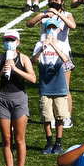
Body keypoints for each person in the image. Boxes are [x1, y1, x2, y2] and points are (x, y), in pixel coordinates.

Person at [0, 31, 36, 166]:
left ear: (18, 42)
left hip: (19, 98)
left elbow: (33, 78)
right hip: (3, 98)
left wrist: (15, 69)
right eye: (7, 40)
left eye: (12, 40)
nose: (9, 43)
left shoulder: (23, 58)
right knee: (6, 139)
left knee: (19, 138)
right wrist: (0, 73)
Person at [28, 0, 77, 128]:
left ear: (62, 2)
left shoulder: (67, 14)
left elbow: (73, 26)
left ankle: (67, 117)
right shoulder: (44, 14)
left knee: (64, 88)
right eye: (51, 0)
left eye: (56, 0)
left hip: (62, 53)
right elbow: (29, 24)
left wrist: (58, 14)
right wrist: (42, 16)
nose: (53, 2)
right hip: (46, 54)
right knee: (48, 88)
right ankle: (53, 117)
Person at [33, 18, 72, 154]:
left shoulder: (63, 45)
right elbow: (33, 60)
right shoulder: (39, 44)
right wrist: (42, 48)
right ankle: (49, 142)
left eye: (53, 28)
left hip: (59, 86)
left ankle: (58, 143)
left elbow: (65, 59)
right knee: (46, 116)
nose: (51, 30)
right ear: (45, 30)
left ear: (58, 30)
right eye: (48, 28)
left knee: (60, 116)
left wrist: (53, 45)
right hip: (45, 86)